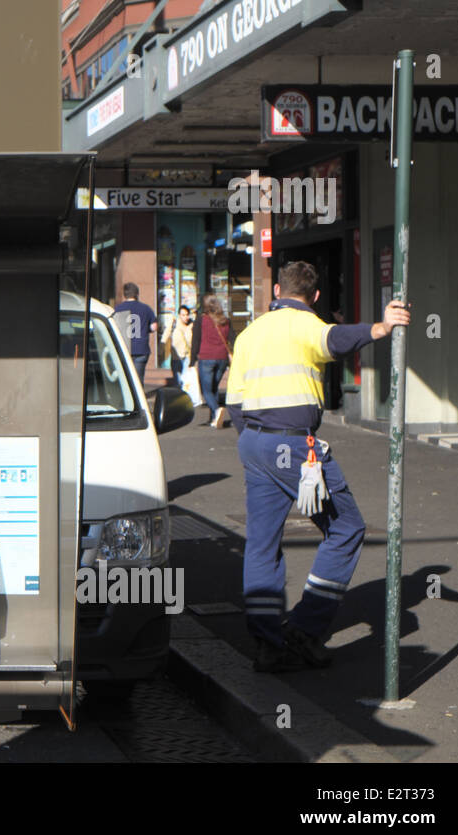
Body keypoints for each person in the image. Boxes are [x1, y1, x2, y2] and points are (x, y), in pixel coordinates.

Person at [224, 261, 410, 672]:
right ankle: (305, 630)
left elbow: (233, 402)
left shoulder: (251, 332)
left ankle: (268, 645)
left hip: (254, 443)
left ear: (276, 289)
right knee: (346, 529)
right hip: (292, 443)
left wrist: (257, 442)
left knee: (261, 543)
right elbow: (335, 338)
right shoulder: (303, 324)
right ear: (316, 296)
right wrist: (379, 328)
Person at [190, 292, 233, 427]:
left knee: (206, 390)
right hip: (222, 358)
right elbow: (233, 338)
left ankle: (216, 410)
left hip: (206, 357)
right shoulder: (225, 320)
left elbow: (195, 341)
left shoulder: (201, 320)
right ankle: (214, 419)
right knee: (214, 388)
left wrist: (192, 361)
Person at [114, 282, 157, 382]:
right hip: (141, 348)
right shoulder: (146, 308)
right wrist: (145, 329)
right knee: (138, 379)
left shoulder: (118, 309)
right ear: (137, 294)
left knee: (125, 379)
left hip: (124, 348)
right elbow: (154, 327)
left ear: (125, 295)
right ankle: (138, 397)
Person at [162, 305, 194, 386]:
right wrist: (162, 346)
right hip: (176, 356)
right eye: (183, 315)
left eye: (187, 315)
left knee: (186, 380)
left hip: (188, 356)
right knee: (178, 381)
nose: (185, 317)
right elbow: (166, 334)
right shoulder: (174, 323)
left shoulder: (192, 325)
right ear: (179, 315)